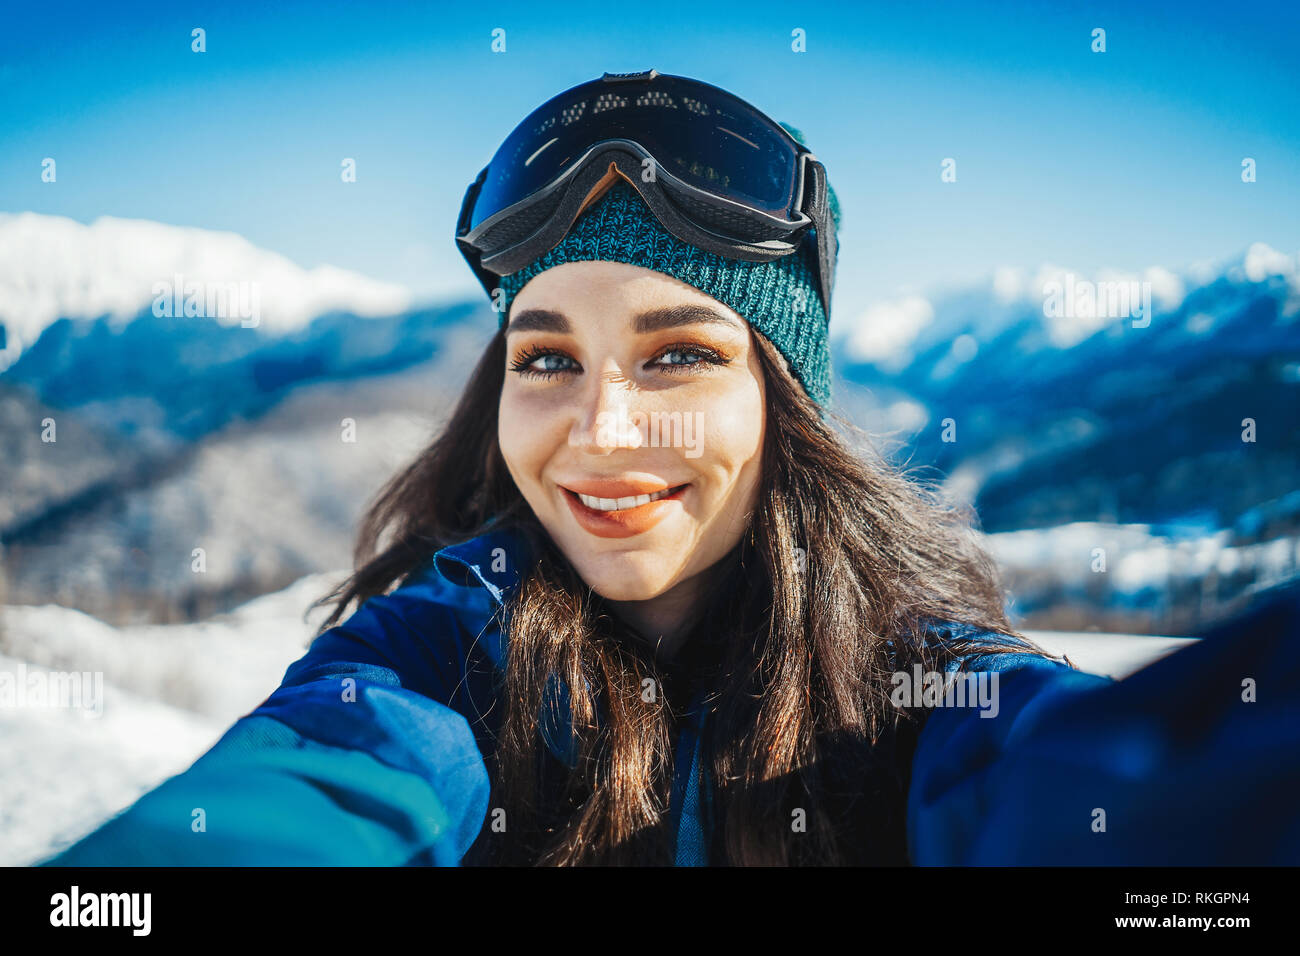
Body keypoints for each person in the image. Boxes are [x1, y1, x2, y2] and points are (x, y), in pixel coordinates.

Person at [39, 71, 1299, 867]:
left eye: (678, 355)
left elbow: (1100, 779)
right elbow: (314, 786)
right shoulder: (431, 659)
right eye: (544, 360)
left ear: (778, 403)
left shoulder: (915, 693)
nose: (597, 427)